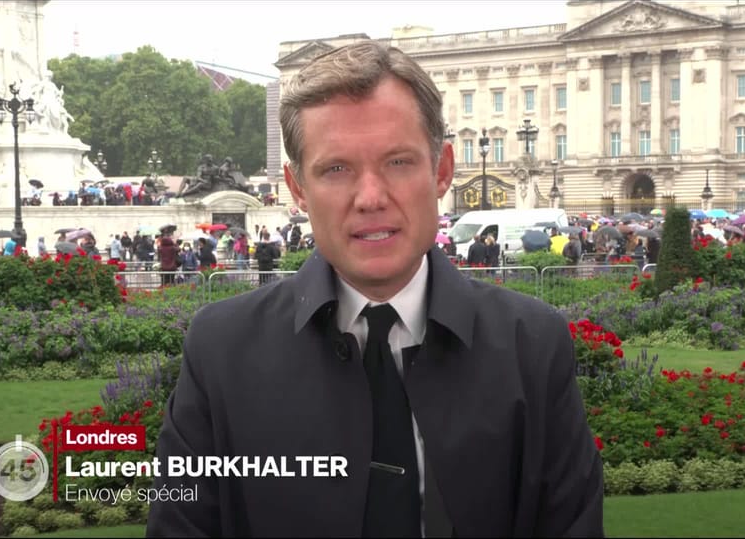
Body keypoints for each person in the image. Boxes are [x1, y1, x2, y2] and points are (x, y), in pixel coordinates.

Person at [147, 41, 603, 537]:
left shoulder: (531, 344)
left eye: (398, 162)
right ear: (297, 187)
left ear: (442, 170)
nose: (370, 197)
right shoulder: (221, 349)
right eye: (336, 169)